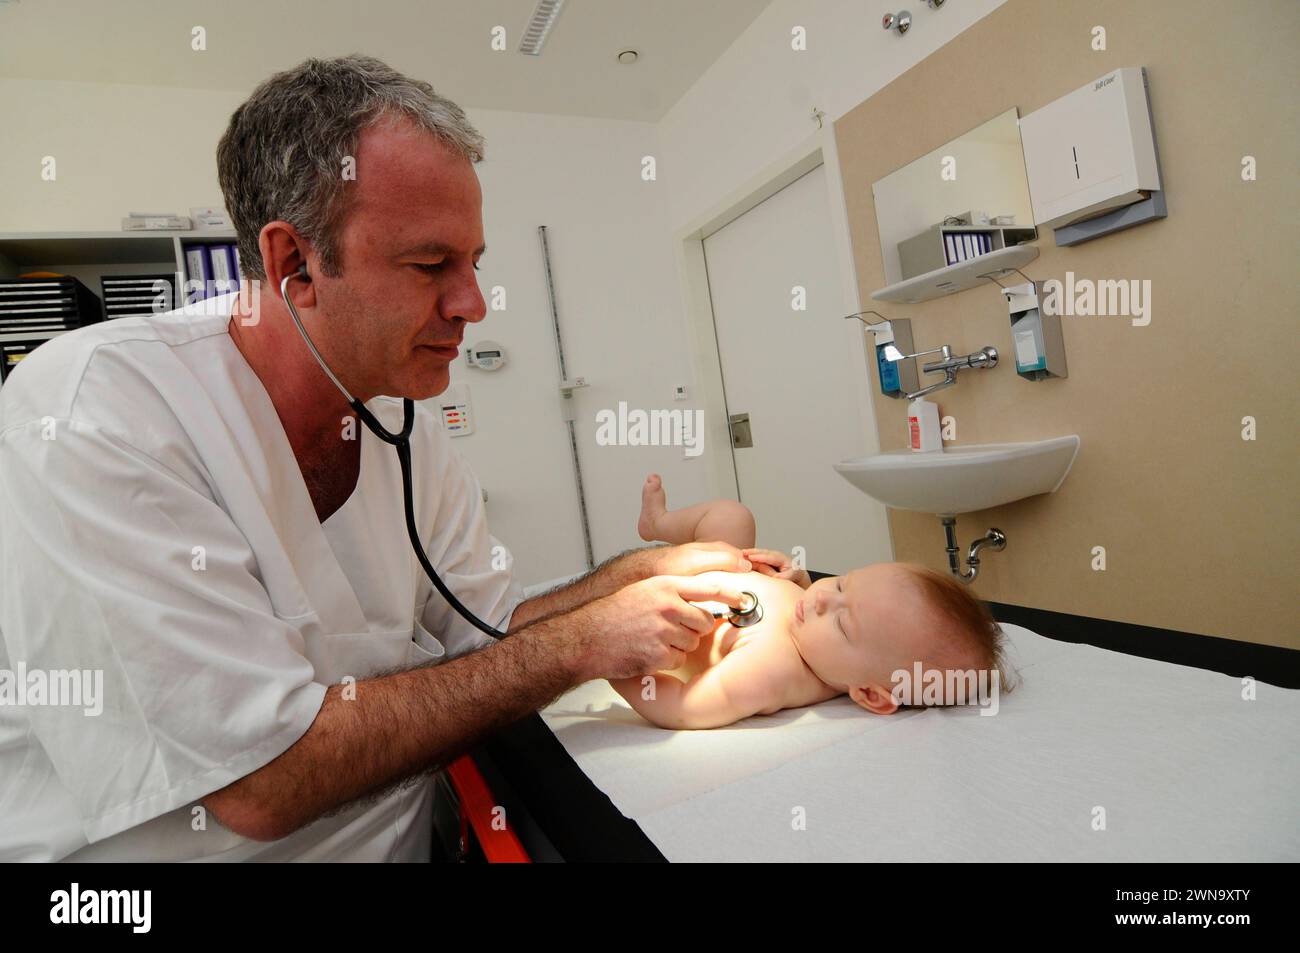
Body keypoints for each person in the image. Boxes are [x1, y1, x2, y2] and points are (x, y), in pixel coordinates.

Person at [0, 55, 750, 861]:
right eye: (432, 264)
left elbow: (482, 632)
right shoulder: (93, 412)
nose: (473, 304)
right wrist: (581, 642)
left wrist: (632, 579)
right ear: (294, 265)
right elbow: (262, 781)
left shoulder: (397, 415)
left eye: (474, 262)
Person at [613, 474, 1013, 729]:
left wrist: (615, 667)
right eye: (842, 585)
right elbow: (813, 597)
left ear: (869, 694)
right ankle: (658, 524)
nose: (822, 599)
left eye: (842, 624)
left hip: (666, 600)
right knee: (733, 516)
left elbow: (683, 707)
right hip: (712, 565)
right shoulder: (817, 628)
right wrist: (796, 578)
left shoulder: (770, 671)